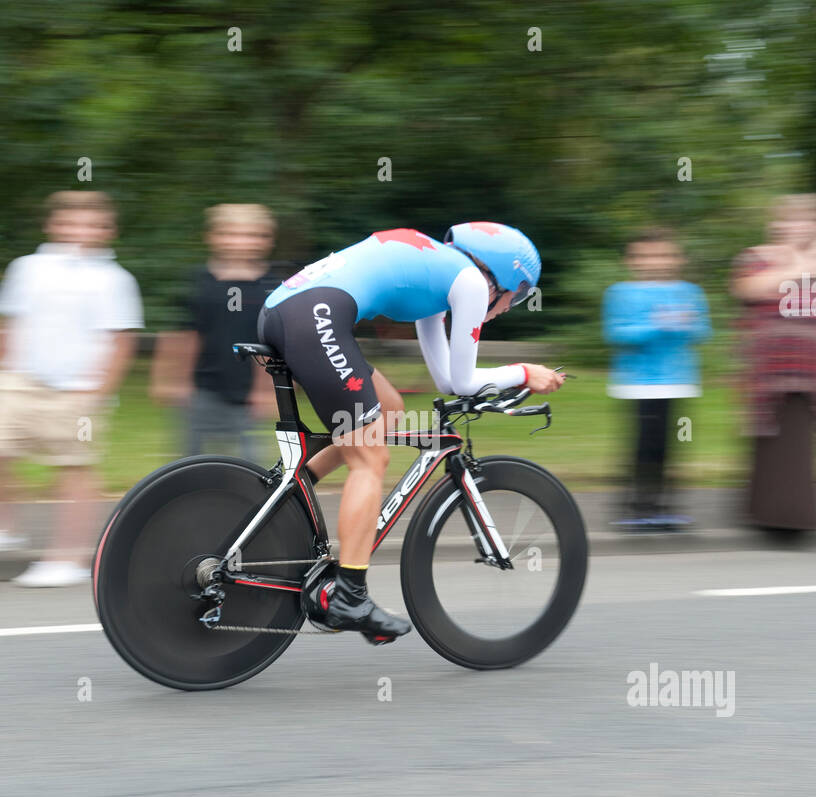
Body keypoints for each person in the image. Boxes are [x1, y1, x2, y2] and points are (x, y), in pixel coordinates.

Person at [256, 223, 564, 641]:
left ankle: (298, 487)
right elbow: (465, 380)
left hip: (290, 310)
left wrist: (502, 379)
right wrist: (527, 372)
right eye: (520, 291)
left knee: (391, 409)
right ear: (503, 276)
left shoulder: (441, 278)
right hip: (312, 315)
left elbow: (448, 380)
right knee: (370, 458)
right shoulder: (471, 281)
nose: (512, 304)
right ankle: (348, 594)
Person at [0, 191, 142, 586]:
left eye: (90, 224)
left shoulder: (115, 280)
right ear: (52, 225)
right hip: (16, 379)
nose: (79, 232)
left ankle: (66, 558)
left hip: (78, 389)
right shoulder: (27, 268)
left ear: (107, 230)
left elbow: (122, 342)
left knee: (73, 467)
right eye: (69, 223)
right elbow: (7, 322)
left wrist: (98, 393)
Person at [731, 194, 816, 533]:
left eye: (808, 220)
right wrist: (807, 263)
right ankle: (766, 514)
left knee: (800, 446)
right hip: (768, 373)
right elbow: (750, 289)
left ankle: (793, 517)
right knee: (770, 441)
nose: (798, 226)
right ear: (776, 224)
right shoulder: (757, 256)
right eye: (790, 219)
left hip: (814, 373)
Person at [149, 204, 280, 461]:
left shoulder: (273, 288)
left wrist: (266, 390)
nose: (241, 242)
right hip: (201, 390)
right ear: (212, 236)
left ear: (267, 240)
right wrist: (170, 380)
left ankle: (248, 502)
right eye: (231, 233)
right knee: (189, 464)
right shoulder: (199, 282)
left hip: (247, 397)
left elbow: (274, 342)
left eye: (252, 235)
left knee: (251, 468)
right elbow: (183, 336)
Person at [602, 228, 710, 530]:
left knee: (669, 447)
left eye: (663, 254)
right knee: (640, 447)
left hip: (677, 382)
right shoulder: (620, 293)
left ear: (677, 258)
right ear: (631, 260)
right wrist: (657, 326)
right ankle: (633, 506)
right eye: (646, 255)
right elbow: (615, 333)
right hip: (636, 386)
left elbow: (703, 331)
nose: (655, 262)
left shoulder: (689, 292)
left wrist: (685, 325)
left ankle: (664, 507)